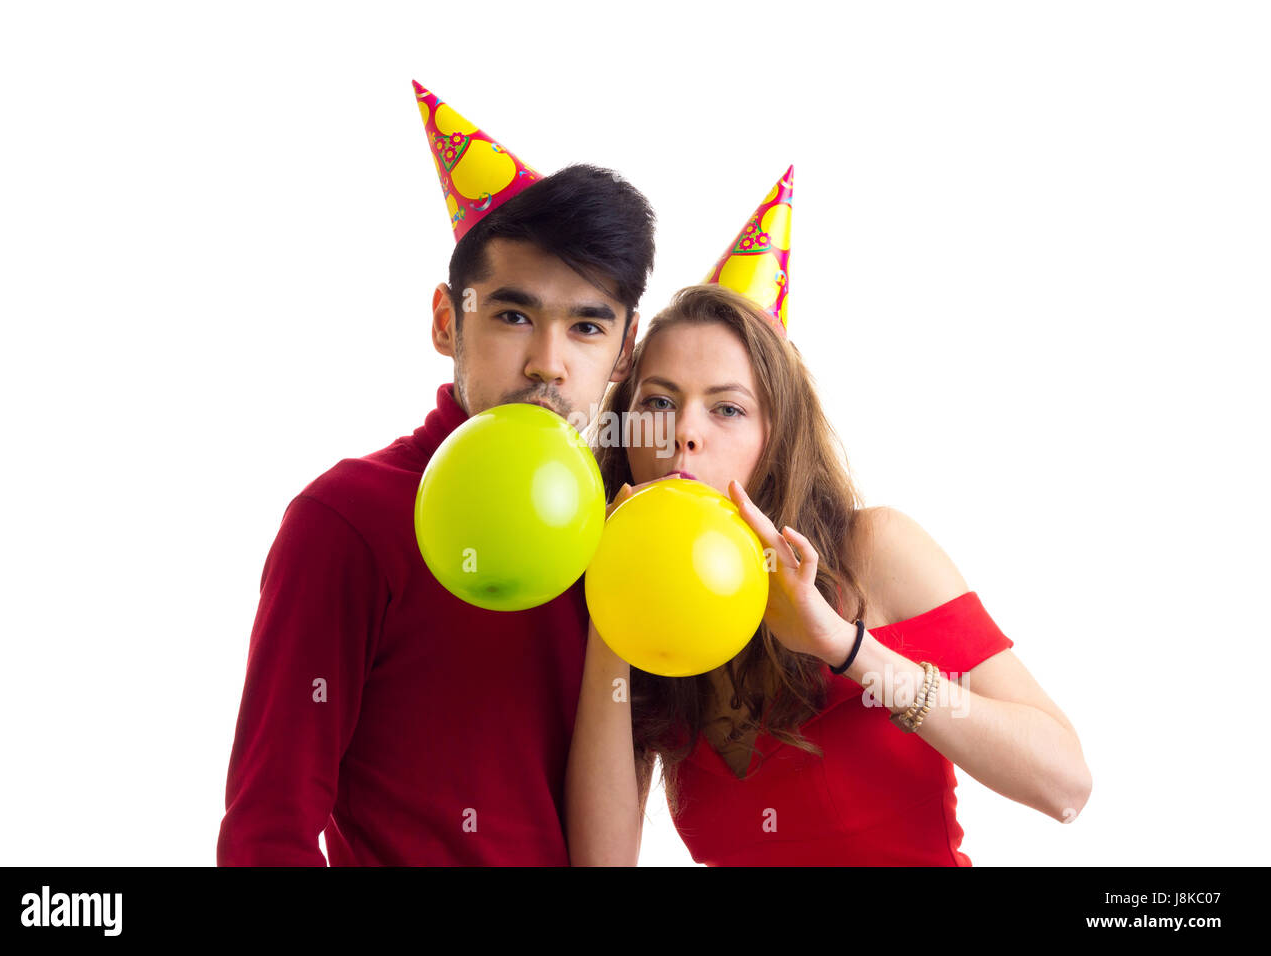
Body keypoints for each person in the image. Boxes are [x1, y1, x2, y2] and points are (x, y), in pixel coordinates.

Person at [565, 169, 1091, 865]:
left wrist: (842, 644)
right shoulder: (628, 612)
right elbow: (599, 862)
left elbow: (1065, 786)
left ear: (775, 436)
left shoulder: (874, 550)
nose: (684, 434)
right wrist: (613, 613)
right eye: (658, 404)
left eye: (726, 408)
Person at [217, 81, 655, 865]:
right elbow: (268, 828)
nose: (547, 364)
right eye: (513, 315)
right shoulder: (349, 519)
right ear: (448, 321)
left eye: (587, 327)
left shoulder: (629, 536)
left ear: (623, 352)